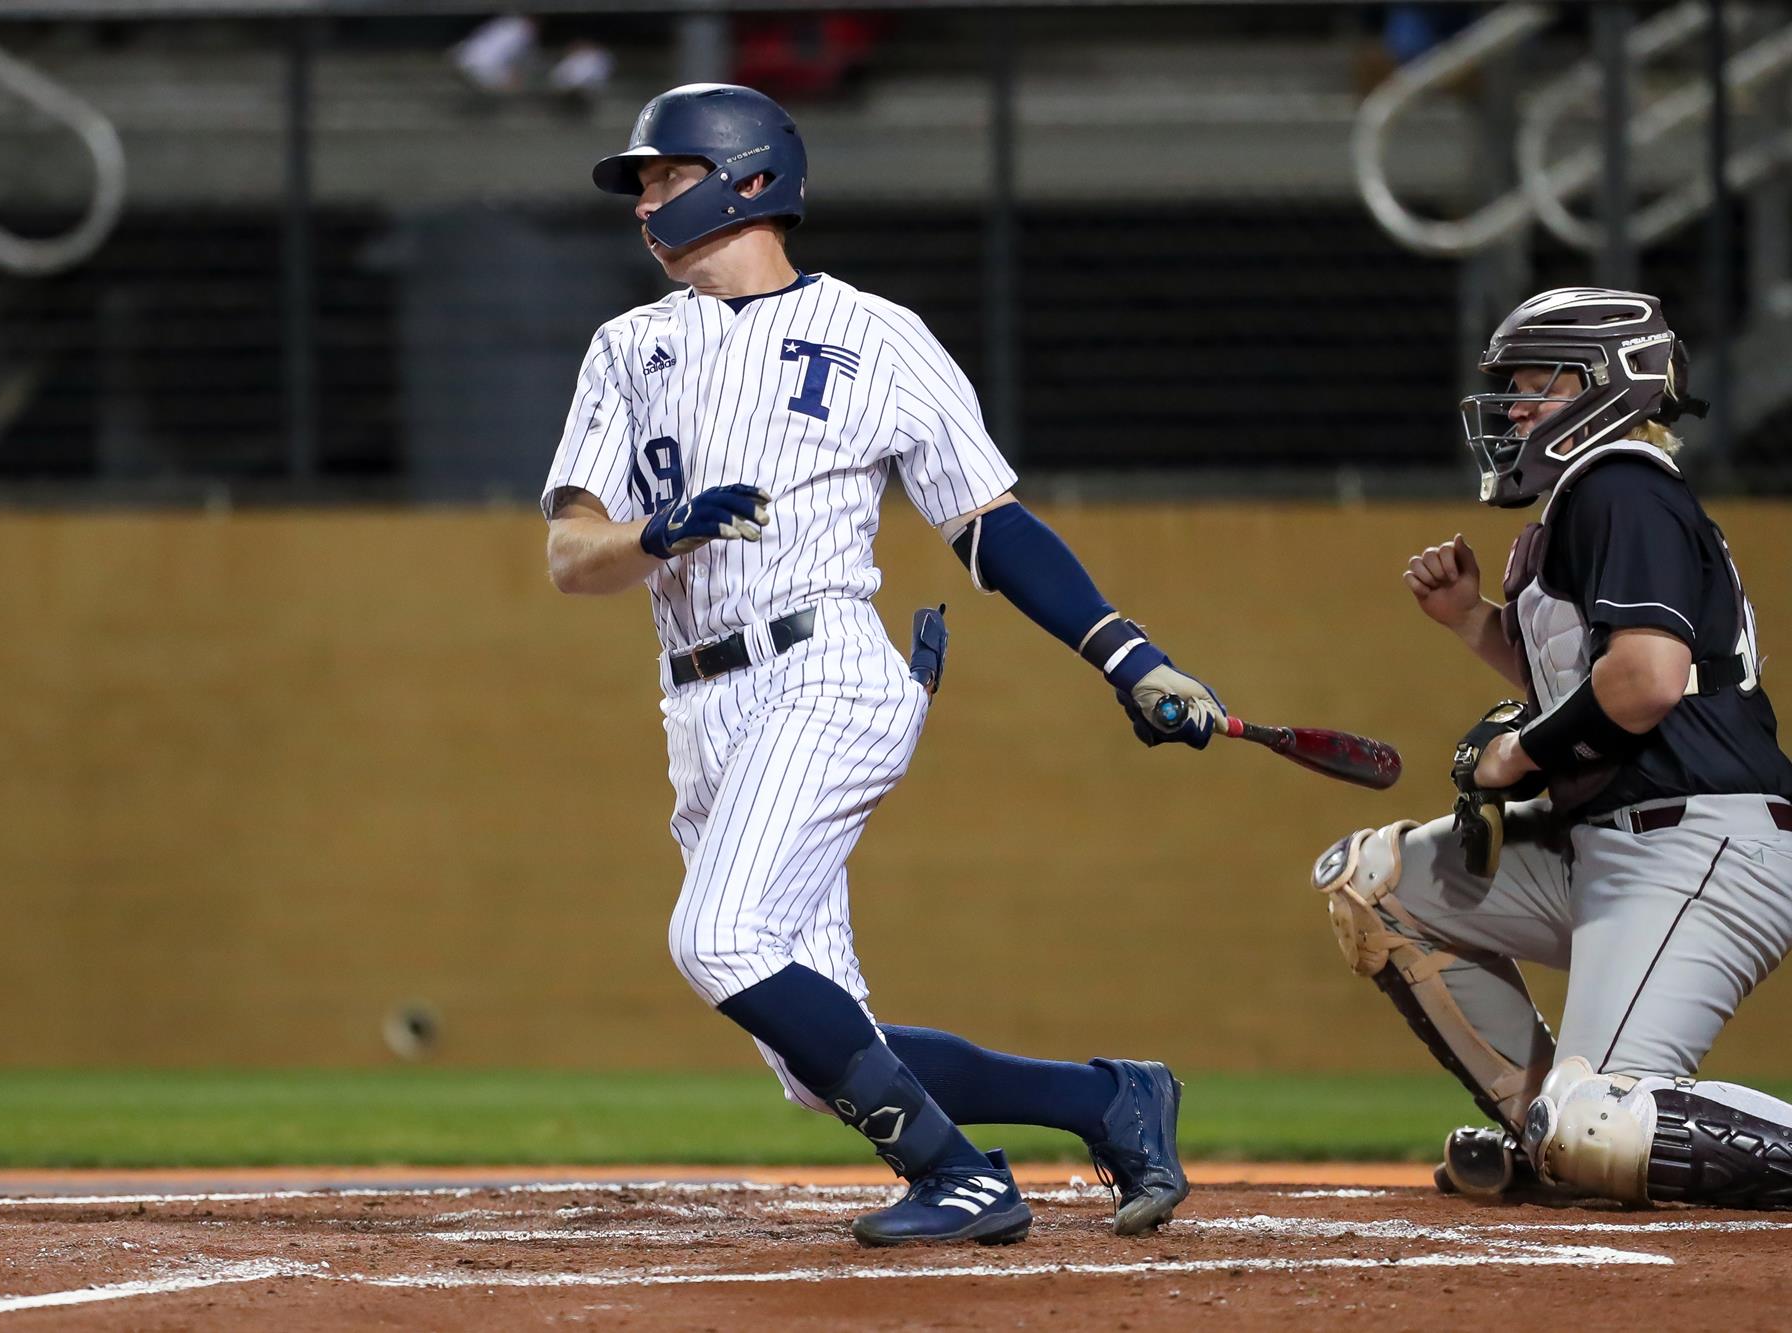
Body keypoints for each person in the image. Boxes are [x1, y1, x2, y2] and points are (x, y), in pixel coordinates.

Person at [541, 83, 1226, 1246]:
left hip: (827, 672)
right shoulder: (627, 344)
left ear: (749, 180)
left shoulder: (878, 334)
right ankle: (1107, 1097)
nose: (646, 199)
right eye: (645, 183)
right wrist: (663, 533)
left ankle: (960, 1178)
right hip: (699, 700)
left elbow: (988, 523)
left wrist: (1131, 659)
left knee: (716, 940)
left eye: (663, 174)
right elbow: (572, 555)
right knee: (820, 1060)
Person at [1311, 286, 1792, 1207]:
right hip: (1619, 835)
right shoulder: (1595, 498)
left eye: (1541, 385)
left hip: (1697, 839)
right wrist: (1472, 624)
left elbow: (1645, 680)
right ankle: (1541, 1129)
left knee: (1601, 1120)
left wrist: (1517, 754)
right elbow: (1592, 680)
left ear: (1611, 387)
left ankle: (1572, 1127)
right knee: (1376, 883)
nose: (1518, 408)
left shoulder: (1621, 483)